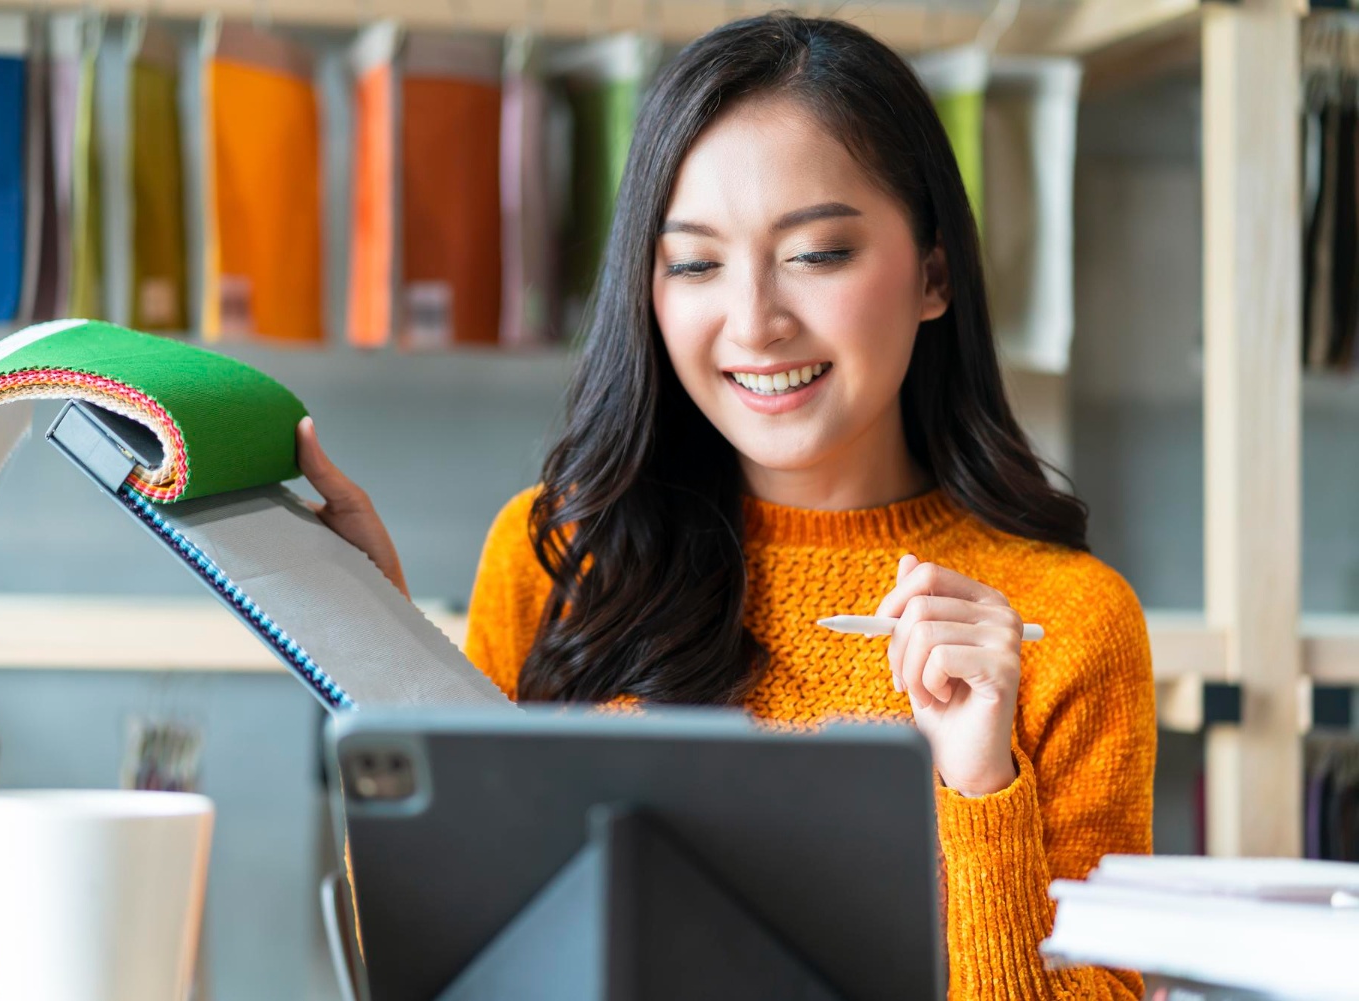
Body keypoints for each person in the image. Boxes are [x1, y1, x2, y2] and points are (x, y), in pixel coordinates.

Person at [297, 12, 1155, 999]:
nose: (753, 320)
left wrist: (979, 785)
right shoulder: (563, 556)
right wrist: (389, 671)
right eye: (696, 263)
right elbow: (425, 956)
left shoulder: (1066, 625)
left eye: (818, 253)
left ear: (933, 270)